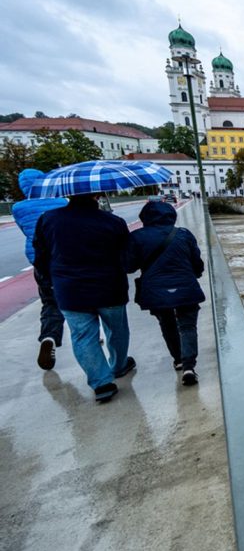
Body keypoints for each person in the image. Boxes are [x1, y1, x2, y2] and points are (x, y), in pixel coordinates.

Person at [34, 192, 134, 403]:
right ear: (96, 195)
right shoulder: (113, 222)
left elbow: (41, 255)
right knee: (117, 330)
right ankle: (118, 365)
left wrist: (49, 279)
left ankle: (102, 383)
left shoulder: (49, 219)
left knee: (82, 336)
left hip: (70, 289)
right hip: (109, 287)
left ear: (69, 194)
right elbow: (127, 256)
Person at [126, 201, 205, 386]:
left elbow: (129, 266)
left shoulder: (137, 237)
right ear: (171, 216)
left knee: (167, 324)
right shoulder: (184, 234)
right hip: (185, 287)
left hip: (155, 290)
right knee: (187, 326)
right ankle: (189, 366)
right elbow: (197, 263)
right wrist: (194, 274)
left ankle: (178, 359)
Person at [11, 169, 67, 370]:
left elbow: (26, 230)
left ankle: (49, 337)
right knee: (81, 299)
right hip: (64, 258)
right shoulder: (62, 203)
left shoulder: (18, 208)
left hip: (39, 260)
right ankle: (93, 336)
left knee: (50, 303)